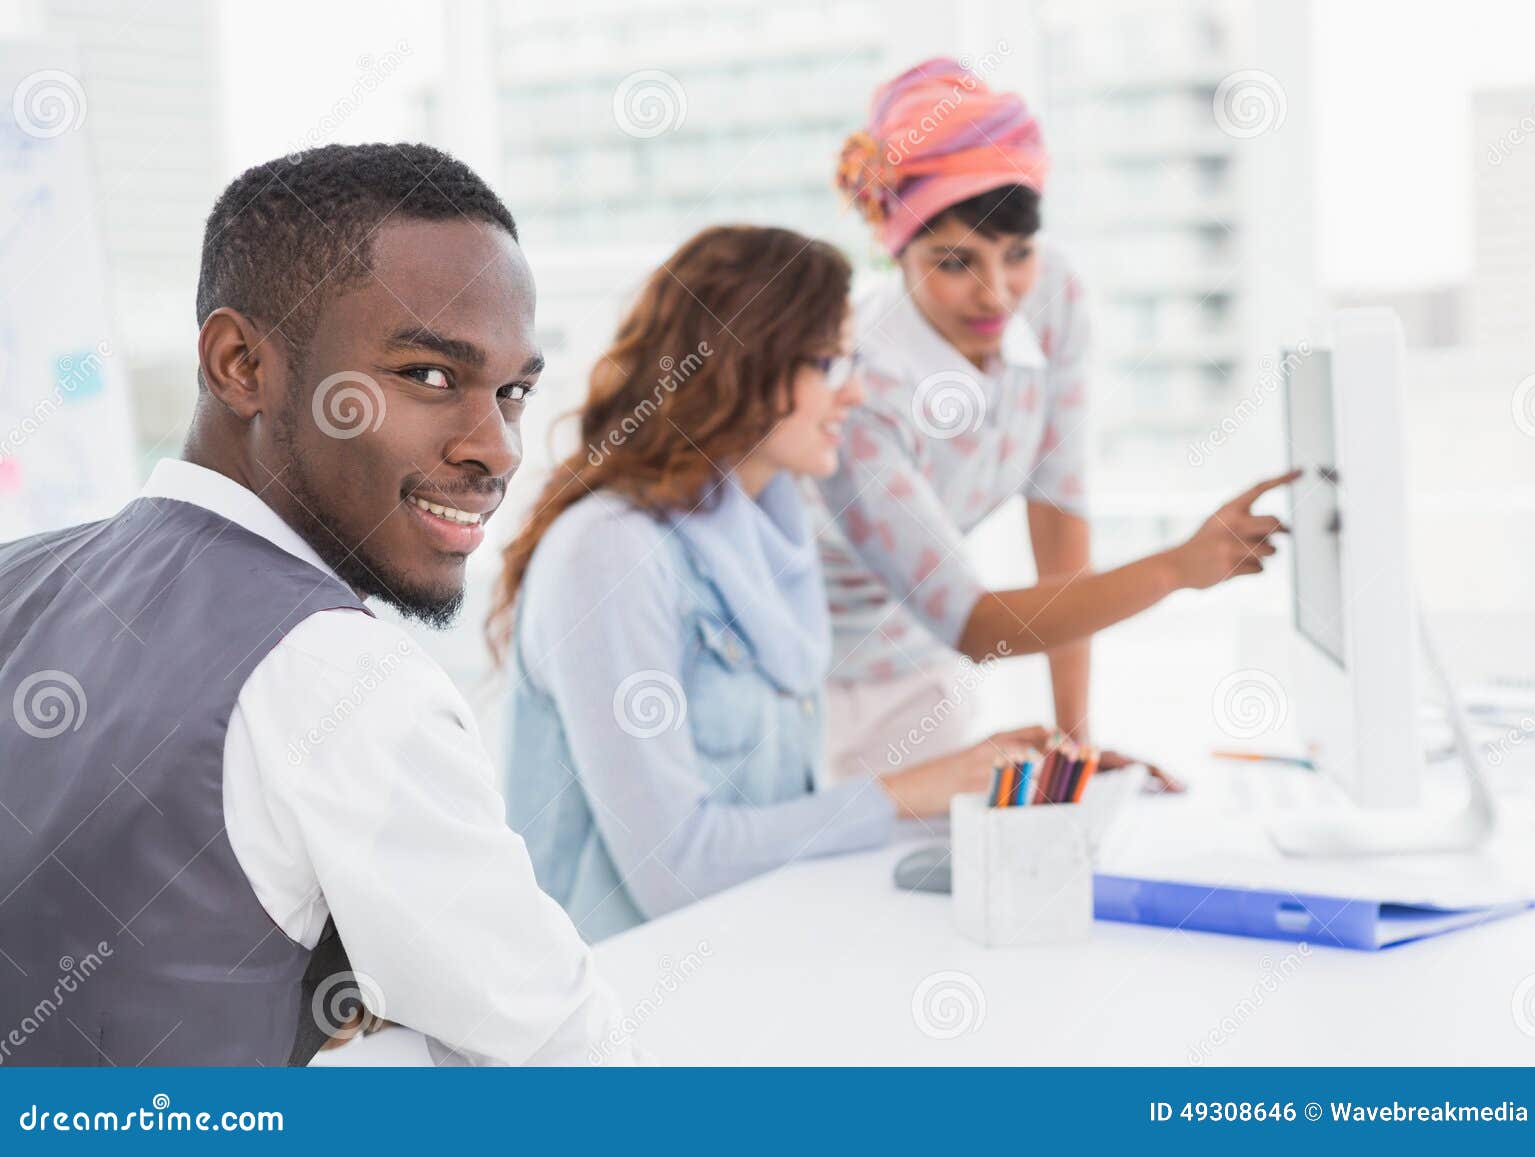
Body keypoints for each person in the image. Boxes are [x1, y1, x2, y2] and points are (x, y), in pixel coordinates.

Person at [0, 144, 641, 1066]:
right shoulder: (333, 670)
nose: (497, 447)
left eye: (514, 392)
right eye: (427, 374)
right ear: (239, 364)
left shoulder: (24, 577)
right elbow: (570, 1065)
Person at [489, 225, 1049, 943]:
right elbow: (674, 867)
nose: (854, 389)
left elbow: (774, 823)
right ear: (736, 367)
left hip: (742, 957)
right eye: (824, 361)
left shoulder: (768, 537)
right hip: (613, 1006)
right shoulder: (612, 552)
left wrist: (985, 780)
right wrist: (913, 790)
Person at [819, 57, 1296, 784]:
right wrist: (1177, 567)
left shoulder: (1053, 299)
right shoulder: (864, 387)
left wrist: (1077, 744)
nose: (996, 292)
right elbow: (979, 627)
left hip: (926, 666)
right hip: (815, 688)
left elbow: (1059, 517)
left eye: (1016, 254)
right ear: (897, 251)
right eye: (954, 261)